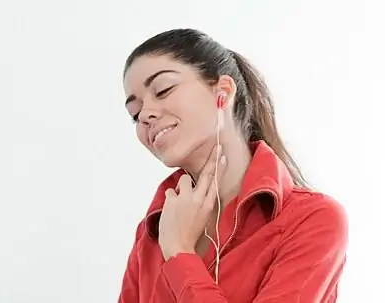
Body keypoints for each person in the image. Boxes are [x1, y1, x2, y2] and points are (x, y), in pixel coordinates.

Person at [118, 28, 348, 303]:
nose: (145, 114)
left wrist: (179, 252)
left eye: (163, 90)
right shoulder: (152, 231)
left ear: (223, 92)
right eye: (135, 113)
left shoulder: (312, 219)